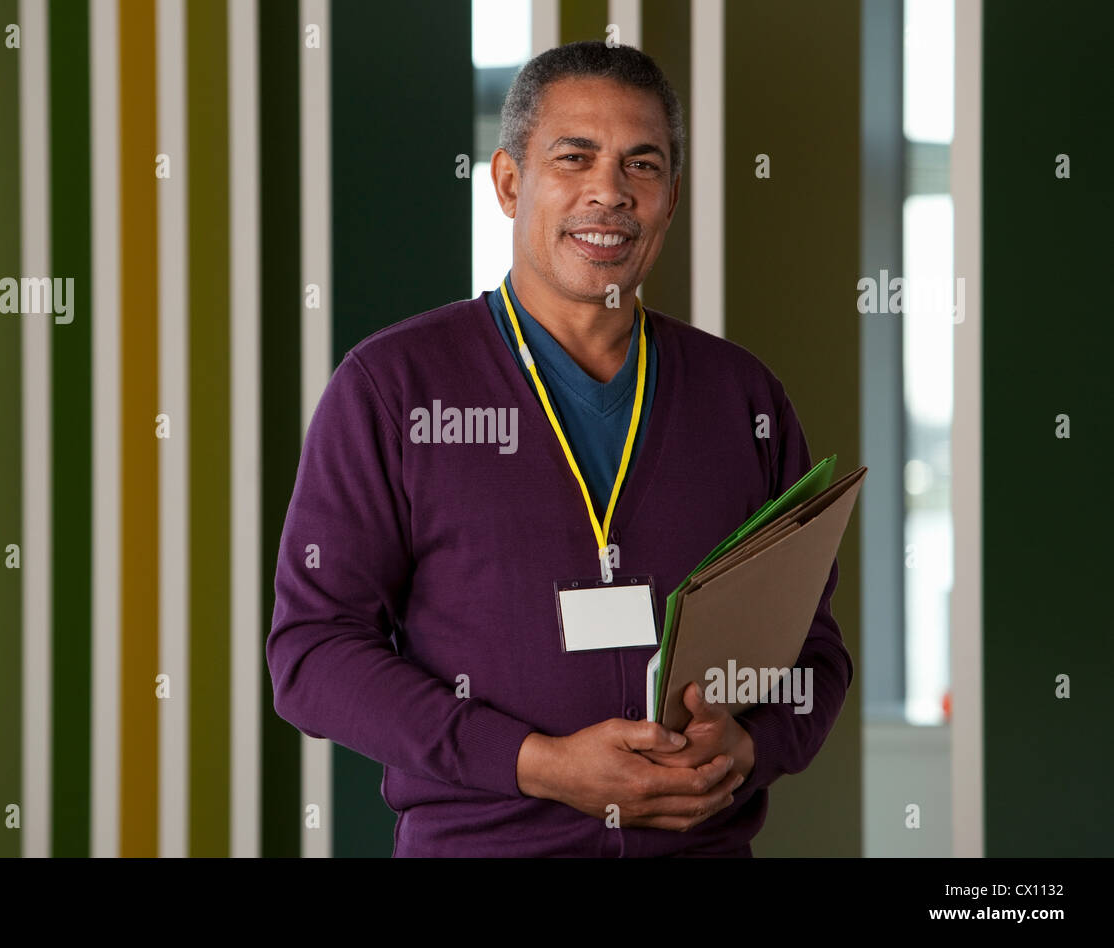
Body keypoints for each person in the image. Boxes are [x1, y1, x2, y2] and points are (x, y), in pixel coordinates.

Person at [266, 40, 852, 857]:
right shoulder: (392, 389)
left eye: (641, 166)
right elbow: (313, 657)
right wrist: (535, 765)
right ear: (510, 183)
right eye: (574, 158)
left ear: (672, 198)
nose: (608, 192)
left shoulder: (741, 398)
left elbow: (814, 652)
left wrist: (752, 747)